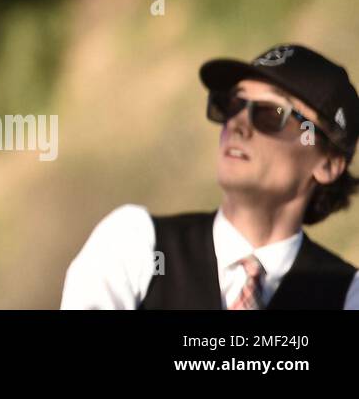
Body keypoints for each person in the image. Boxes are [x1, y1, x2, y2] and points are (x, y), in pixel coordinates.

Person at [61, 43, 359, 309]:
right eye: (232, 104)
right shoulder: (133, 246)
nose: (239, 123)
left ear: (329, 164)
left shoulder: (347, 294)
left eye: (271, 113)